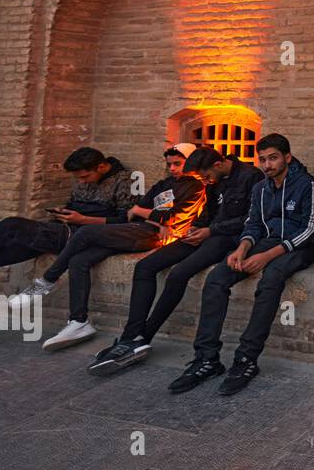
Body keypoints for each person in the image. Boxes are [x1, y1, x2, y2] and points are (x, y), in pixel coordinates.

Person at [0, 147, 134, 361]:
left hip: (78, 235)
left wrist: (82, 220)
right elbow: (75, 205)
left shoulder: (124, 181)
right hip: (59, 230)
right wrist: (64, 212)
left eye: (85, 176)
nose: (82, 182)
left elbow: (126, 222)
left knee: (11, 224)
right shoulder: (84, 180)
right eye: (78, 178)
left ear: (102, 166)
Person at [169, 133, 314, 396]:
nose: (267, 164)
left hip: (299, 246)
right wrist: (242, 248)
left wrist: (266, 256)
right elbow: (253, 223)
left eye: (273, 158)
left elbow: (311, 229)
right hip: (265, 241)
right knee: (218, 277)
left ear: (287, 157)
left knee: (271, 279)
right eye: (262, 159)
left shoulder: (308, 185)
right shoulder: (260, 188)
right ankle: (207, 359)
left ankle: (246, 358)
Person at [88, 146, 263, 375]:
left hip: (227, 239)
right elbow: (207, 212)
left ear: (218, 165)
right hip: (204, 234)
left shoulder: (252, 177)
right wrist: (197, 228)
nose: (205, 181)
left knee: (179, 274)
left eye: (206, 176)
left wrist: (210, 231)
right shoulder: (212, 180)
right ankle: (131, 336)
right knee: (145, 266)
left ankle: (143, 338)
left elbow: (252, 218)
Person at [27, 143, 205, 352]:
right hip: (135, 229)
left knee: (85, 232)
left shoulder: (195, 186)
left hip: (148, 235)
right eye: (170, 164)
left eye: (178, 163)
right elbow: (135, 210)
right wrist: (155, 218)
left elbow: (173, 217)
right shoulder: (163, 183)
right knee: (79, 261)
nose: (173, 168)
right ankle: (78, 322)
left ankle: (48, 279)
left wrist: (153, 216)